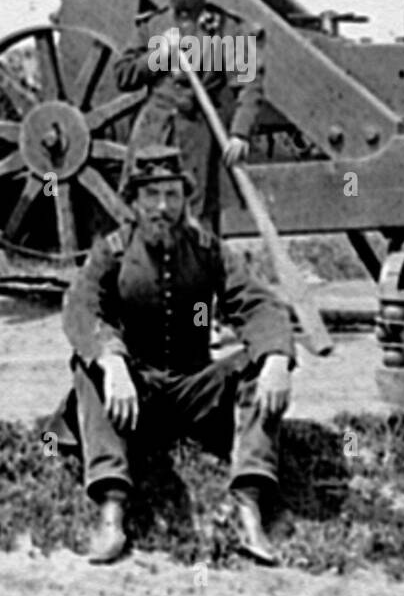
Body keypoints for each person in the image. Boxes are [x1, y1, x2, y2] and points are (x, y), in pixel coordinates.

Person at [49, 145, 295, 566]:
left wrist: (275, 355)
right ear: (134, 200)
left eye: (173, 195)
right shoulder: (112, 252)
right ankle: (112, 511)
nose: (163, 207)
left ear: (185, 200)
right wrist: (112, 360)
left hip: (195, 392)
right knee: (86, 368)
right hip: (133, 398)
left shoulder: (206, 249)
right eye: (152, 195)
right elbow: (80, 307)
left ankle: (249, 507)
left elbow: (256, 303)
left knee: (258, 363)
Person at [112, 0, 264, 233]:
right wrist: (159, 56)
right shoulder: (152, 26)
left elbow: (250, 85)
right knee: (146, 218)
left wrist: (240, 134)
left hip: (202, 140)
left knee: (199, 225)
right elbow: (123, 76)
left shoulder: (228, 28)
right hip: (154, 135)